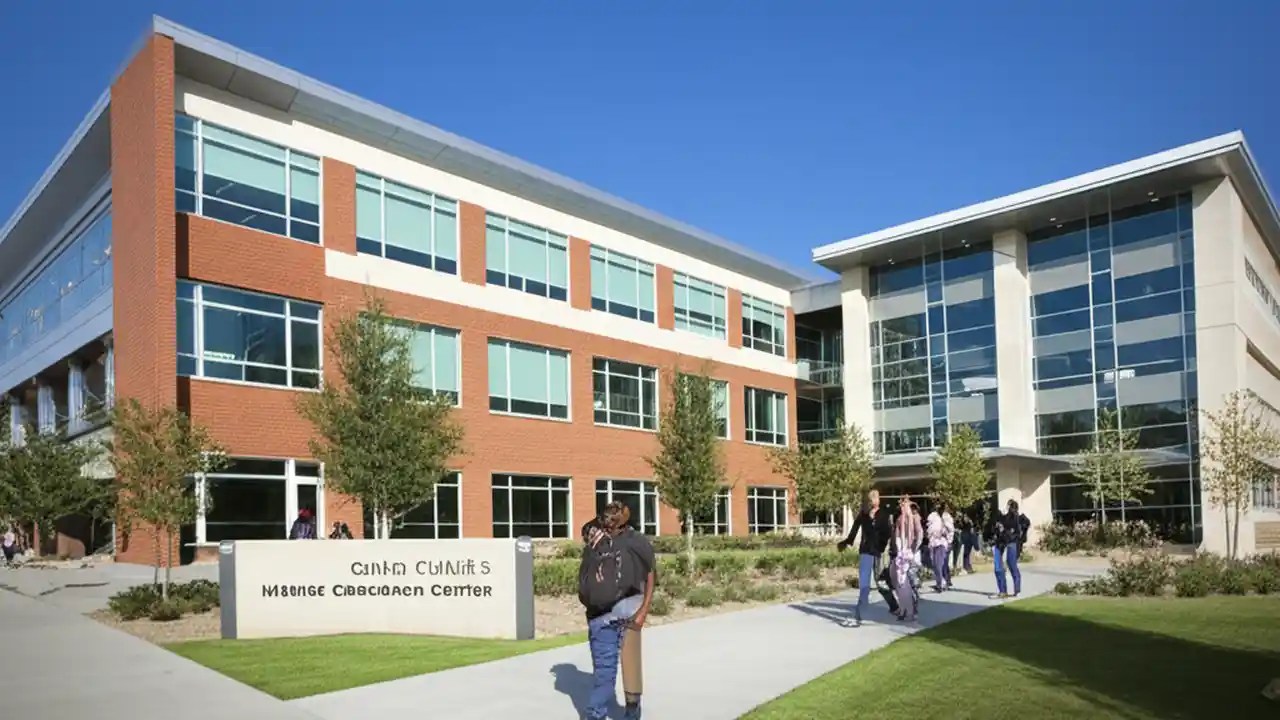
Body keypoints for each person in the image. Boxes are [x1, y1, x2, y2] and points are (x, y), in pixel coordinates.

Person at [580, 502, 655, 720]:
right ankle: (595, 713)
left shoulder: (636, 542)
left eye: (613, 523)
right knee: (604, 673)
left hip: (630, 614)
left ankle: (632, 711)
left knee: (631, 672)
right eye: (605, 521)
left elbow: (651, 574)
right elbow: (587, 528)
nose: (608, 527)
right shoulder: (594, 538)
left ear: (623, 524)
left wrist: (643, 612)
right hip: (600, 617)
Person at [836, 489, 889, 627]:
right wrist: (847, 542)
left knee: (881, 582)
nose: (873, 501)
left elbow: (887, 533)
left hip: (878, 552)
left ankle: (894, 606)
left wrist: (882, 547)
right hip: (866, 551)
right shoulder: (864, 515)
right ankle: (859, 615)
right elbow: (854, 529)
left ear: (878, 500)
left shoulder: (883, 515)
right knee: (864, 585)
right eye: (870, 499)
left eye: (875, 498)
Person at [992, 500, 1031, 598]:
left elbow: (1016, 532)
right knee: (998, 567)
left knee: (1011, 564)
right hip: (999, 542)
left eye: (1008, 506)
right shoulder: (999, 516)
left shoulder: (1016, 518)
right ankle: (1003, 591)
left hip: (1011, 542)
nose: (1006, 507)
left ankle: (1016, 588)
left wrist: (1004, 530)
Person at [894, 497, 923, 621]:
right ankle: (903, 609)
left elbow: (919, 534)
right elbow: (897, 536)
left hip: (912, 554)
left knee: (912, 583)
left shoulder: (915, 519)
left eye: (904, 505)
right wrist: (900, 549)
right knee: (901, 583)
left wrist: (913, 549)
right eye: (901, 506)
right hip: (902, 553)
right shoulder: (899, 520)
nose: (903, 508)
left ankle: (914, 610)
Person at [927, 502, 955, 592]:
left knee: (940, 564)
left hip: (942, 543)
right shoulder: (933, 516)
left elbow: (951, 530)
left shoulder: (946, 518)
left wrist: (949, 540)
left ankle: (942, 583)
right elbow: (929, 528)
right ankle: (941, 582)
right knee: (935, 564)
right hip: (933, 543)